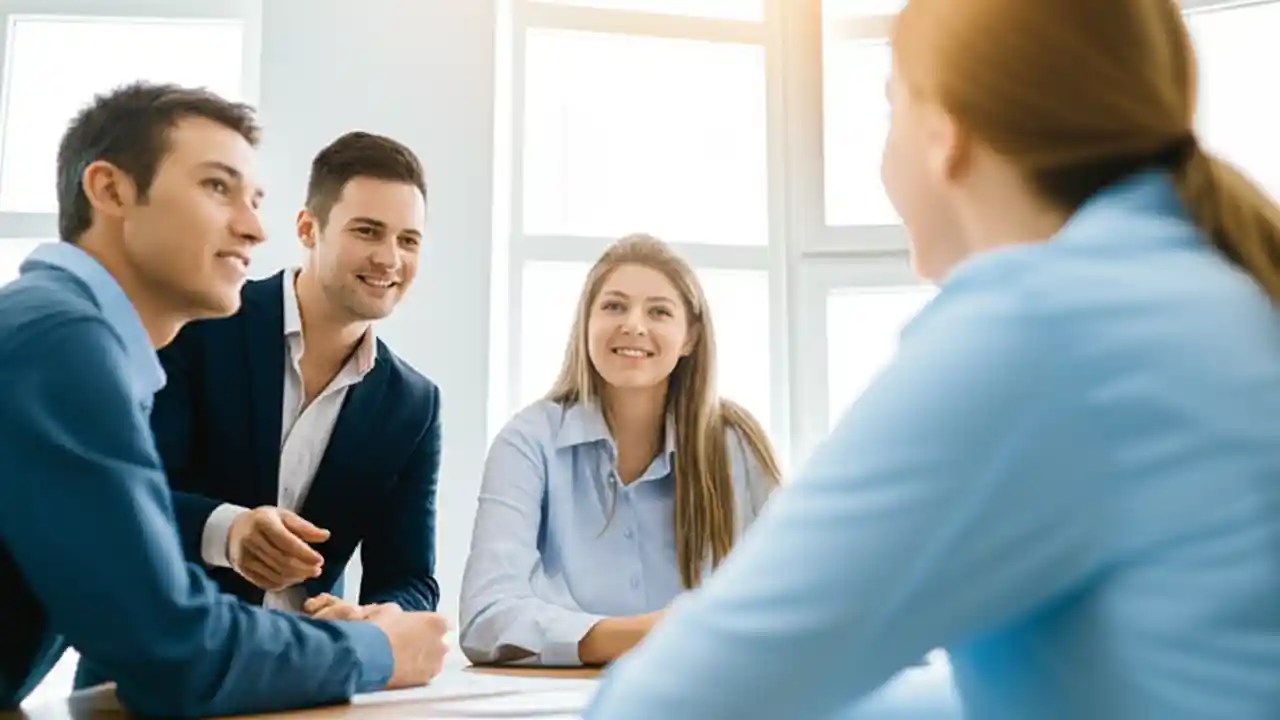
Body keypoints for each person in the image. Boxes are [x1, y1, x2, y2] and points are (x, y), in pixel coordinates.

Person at [584, 1, 1280, 718]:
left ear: (944, 135)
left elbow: (674, 703)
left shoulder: (1041, 327)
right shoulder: (1211, 288)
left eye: (892, 105)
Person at [0, 82, 447, 717]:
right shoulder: (63, 342)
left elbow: (407, 571)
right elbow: (173, 648)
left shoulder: (69, 332)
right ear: (110, 191)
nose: (252, 227)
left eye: (254, 198)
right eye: (217, 187)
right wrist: (376, 651)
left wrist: (381, 621)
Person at [459, 234, 781, 667]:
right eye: (613, 306)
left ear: (690, 338)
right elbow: (485, 617)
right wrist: (659, 634)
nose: (634, 325)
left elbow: (791, 594)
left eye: (659, 312)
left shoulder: (736, 445)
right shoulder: (527, 442)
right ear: (585, 324)